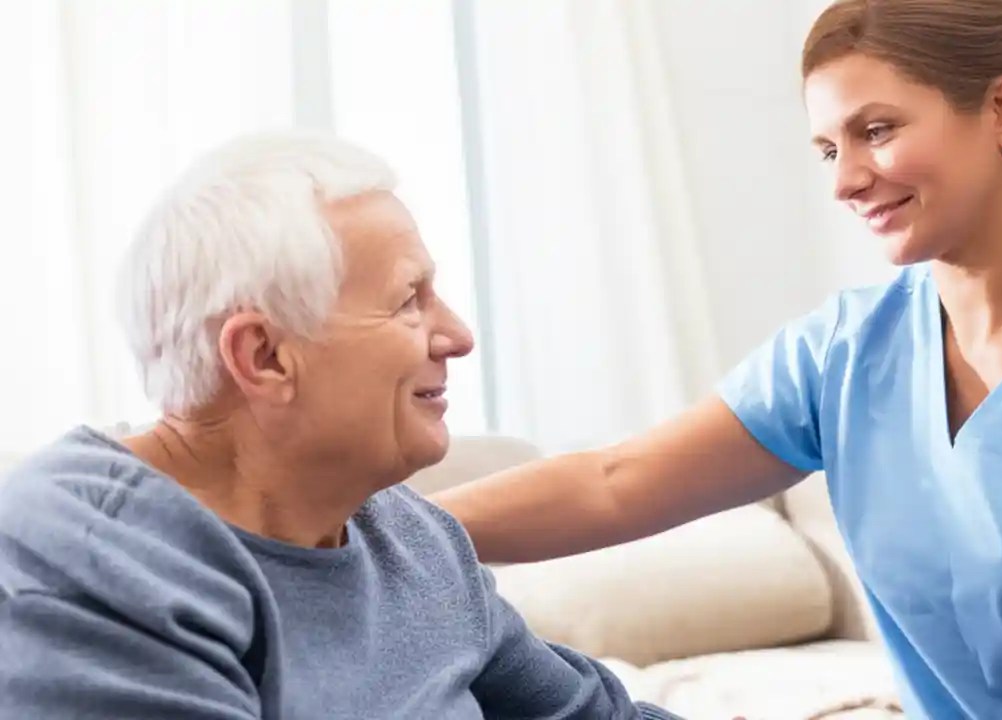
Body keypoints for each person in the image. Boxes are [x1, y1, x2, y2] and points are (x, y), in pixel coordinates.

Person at [434, 0, 1002, 718]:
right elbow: (612, 482)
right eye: (829, 149)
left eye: (876, 131)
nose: (846, 180)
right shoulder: (845, 350)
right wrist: (377, 526)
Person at [0, 133, 679, 720]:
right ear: (264, 356)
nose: (459, 336)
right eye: (409, 301)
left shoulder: (411, 539)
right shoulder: (87, 561)